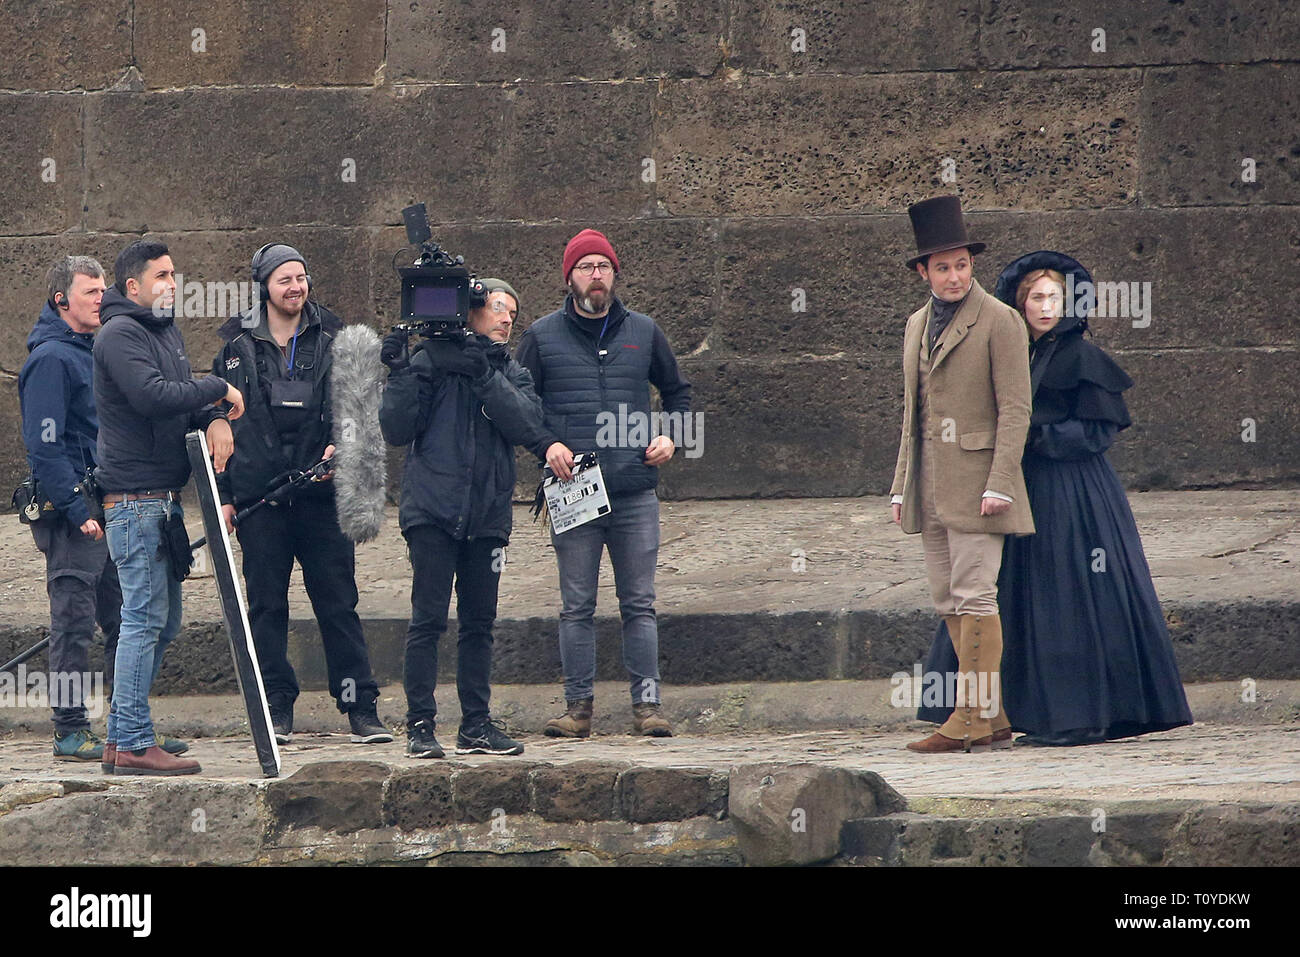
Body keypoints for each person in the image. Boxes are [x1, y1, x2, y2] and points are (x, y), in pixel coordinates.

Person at [918, 251, 1192, 745]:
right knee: (997, 590)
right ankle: (996, 712)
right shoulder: (1007, 346)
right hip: (1011, 486)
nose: (1046, 308)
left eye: (1054, 298)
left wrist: (1036, 440)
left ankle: (1079, 713)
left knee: (1067, 594)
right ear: (1018, 303)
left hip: (1073, 495)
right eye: (1035, 298)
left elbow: (1096, 431)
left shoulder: (1082, 358)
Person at [515, 229, 692, 738]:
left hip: (635, 489)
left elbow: (678, 393)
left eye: (604, 266)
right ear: (568, 276)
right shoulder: (542, 336)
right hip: (572, 489)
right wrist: (546, 445)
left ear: (615, 275)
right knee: (577, 605)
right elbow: (521, 408)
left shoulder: (644, 331)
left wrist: (672, 437)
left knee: (639, 602)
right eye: (587, 267)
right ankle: (578, 710)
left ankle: (648, 707)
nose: (597, 275)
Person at [210, 243, 390, 745]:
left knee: (338, 603)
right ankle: (275, 707)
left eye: (301, 277)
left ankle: (361, 708)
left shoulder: (338, 339)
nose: (296, 287)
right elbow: (215, 424)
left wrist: (343, 448)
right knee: (266, 606)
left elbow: (361, 410)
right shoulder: (233, 346)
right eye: (284, 279)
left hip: (322, 496)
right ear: (263, 285)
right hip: (259, 501)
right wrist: (224, 494)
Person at [889, 196, 1035, 754]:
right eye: (943, 267)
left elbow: (1016, 409)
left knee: (976, 596)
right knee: (947, 598)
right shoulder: (915, 324)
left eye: (963, 266)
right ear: (923, 272)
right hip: (928, 484)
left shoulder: (1000, 321)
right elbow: (912, 414)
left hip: (979, 484)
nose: (955, 276)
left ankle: (971, 715)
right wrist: (902, 485)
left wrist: (1000, 480)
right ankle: (994, 715)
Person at [380, 279, 547, 758]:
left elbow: (527, 425)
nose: (507, 318)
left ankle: (476, 724)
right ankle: (419, 725)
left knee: (479, 622)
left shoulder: (511, 371)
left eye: (513, 313)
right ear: (470, 312)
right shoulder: (427, 363)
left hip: (488, 515)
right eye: (497, 308)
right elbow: (395, 427)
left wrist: (483, 375)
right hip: (432, 510)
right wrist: (399, 370)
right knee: (427, 619)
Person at [94, 239, 244, 775]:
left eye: (175, 274)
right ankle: (133, 740)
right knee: (141, 620)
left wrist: (214, 417)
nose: (173, 284)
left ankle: (120, 733)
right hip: (134, 505)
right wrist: (218, 386)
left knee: (166, 620)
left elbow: (183, 403)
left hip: (163, 503)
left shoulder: (164, 331)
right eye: (161, 276)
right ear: (133, 287)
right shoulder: (119, 334)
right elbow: (155, 396)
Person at [18, 256, 121, 762]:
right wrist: (76, 506)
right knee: (74, 622)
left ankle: (127, 727)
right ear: (62, 300)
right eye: (91, 292)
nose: (102, 298)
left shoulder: (94, 350)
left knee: (125, 619)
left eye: (104, 289)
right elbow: (44, 447)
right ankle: (69, 728)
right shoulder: (52, 360)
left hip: (110, 506)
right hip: (74, 514)